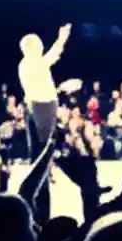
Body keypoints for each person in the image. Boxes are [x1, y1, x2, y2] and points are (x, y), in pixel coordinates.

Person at [17, 23, 72, 152]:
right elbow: (53, 55)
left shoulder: (26, 64)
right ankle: (44, 169)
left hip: (36, 103)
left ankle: (40, 167)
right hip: (42, 105)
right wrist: (62, 38)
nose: (41, 47)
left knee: (37, 141)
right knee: (45, 141)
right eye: (38, 45)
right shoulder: (33, 63)